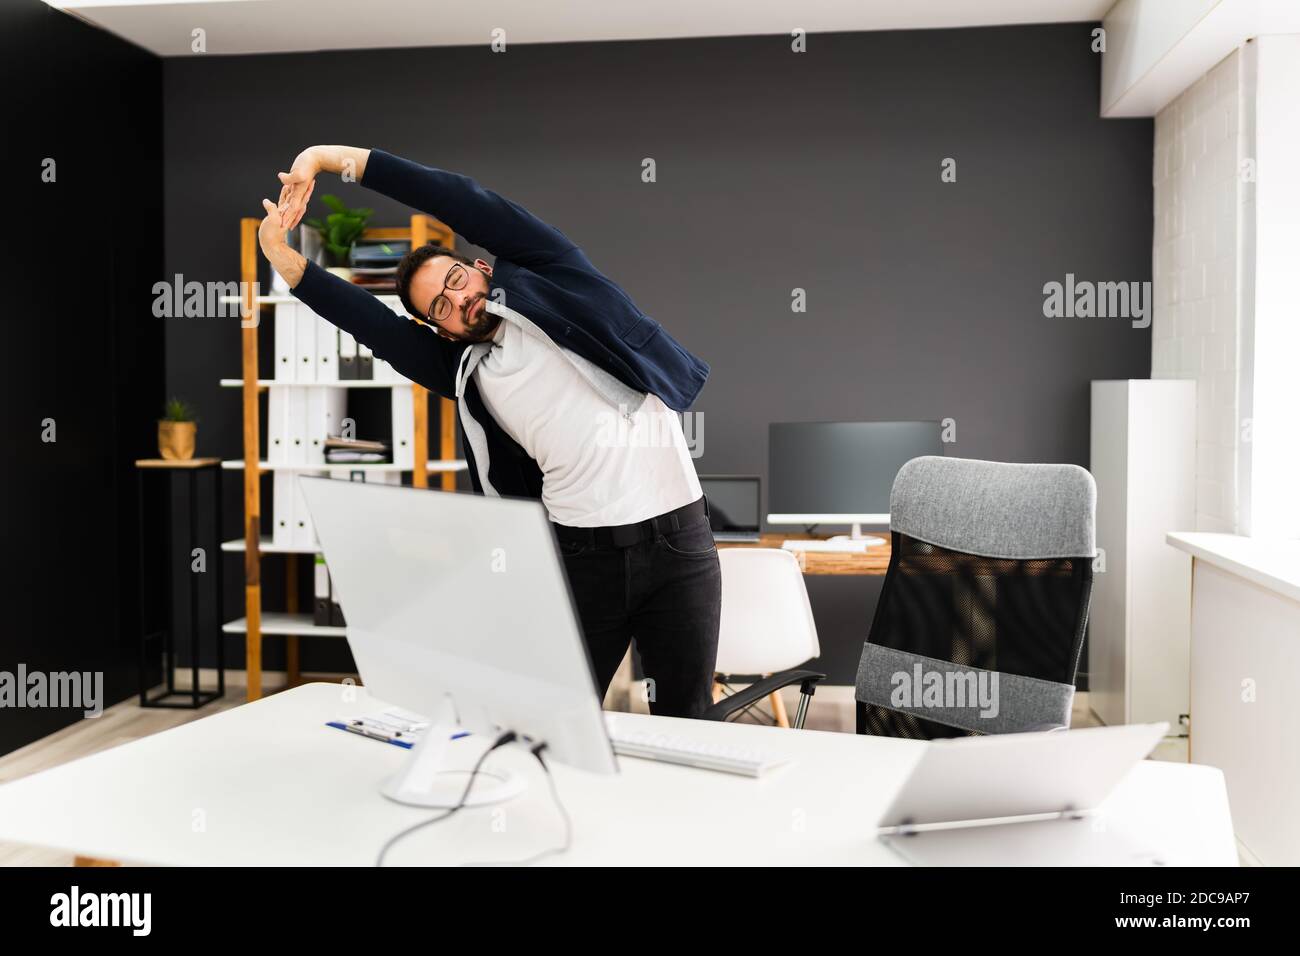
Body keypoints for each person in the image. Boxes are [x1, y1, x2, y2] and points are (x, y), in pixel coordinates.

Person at [258, 145, 721, 718]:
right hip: (583, 559)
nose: (459, 300)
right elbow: (372, 324)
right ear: (442, 331)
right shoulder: (465, 372)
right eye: (441, 308)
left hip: (679, 543)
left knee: (692, 722)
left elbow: (461, 200)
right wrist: (281, 255)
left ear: (479, 266)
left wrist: (328, 158)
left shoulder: (558, 276)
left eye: (455, 279)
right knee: (551, 723)